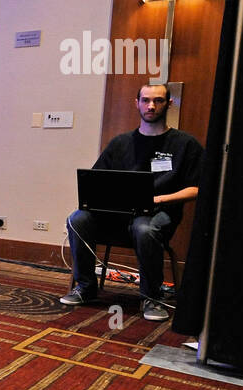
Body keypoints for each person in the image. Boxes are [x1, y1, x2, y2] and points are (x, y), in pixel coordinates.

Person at [61, 83, 204, 321]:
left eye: (158, 101)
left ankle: (152, 297)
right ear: (136, 103)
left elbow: (198, 188)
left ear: (168, 104)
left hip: (158, 212)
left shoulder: (184, 144)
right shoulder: (120, 143)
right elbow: (98, 181)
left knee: (144, 227)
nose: (151, 106)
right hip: (117, 214)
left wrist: (159, 198)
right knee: (77, 219)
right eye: (146, 100)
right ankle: (86, 287)